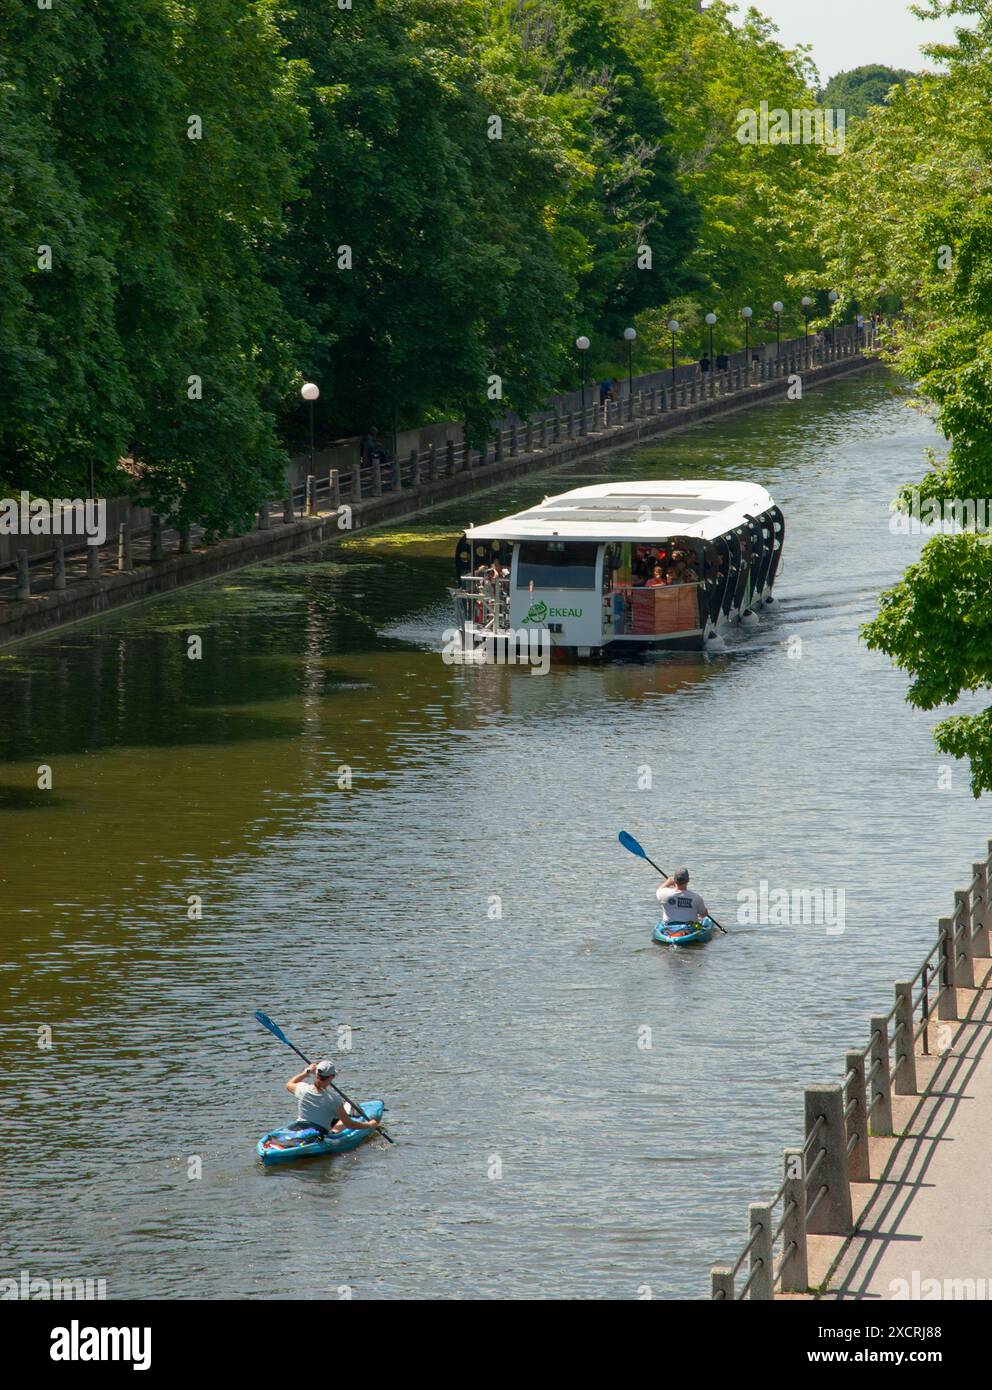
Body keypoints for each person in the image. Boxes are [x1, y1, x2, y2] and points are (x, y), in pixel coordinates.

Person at [285, 1060, 381, 1137]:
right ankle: (334, 1131)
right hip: (319, 1133)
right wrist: (369, 1125)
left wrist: (306, 1072)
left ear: (316, 1074)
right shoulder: (334, 1099)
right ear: (332, 1077)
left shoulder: (303, 1088)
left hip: (299, 1127)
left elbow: (289, 1084)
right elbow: (349, 1124)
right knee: (345, 1116)